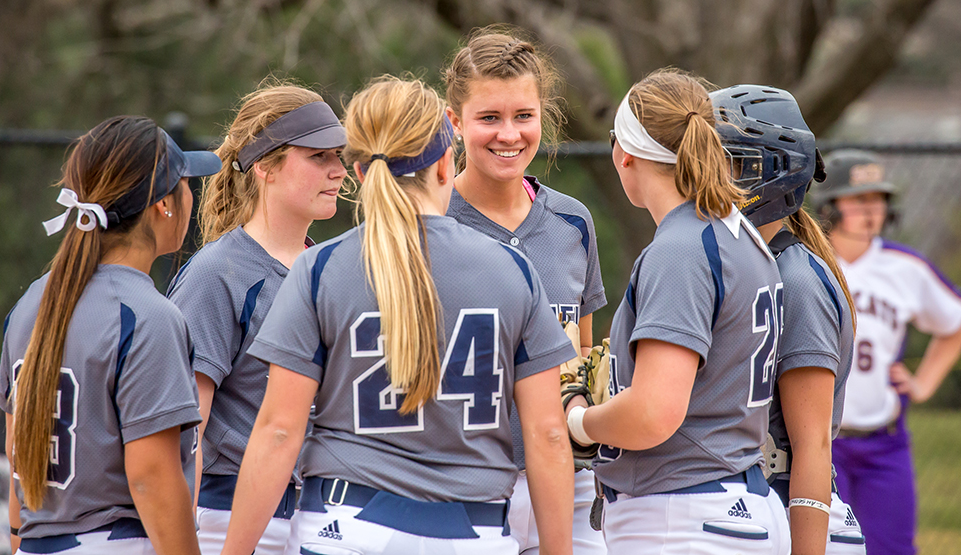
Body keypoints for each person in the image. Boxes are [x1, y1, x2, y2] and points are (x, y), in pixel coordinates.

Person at [219, 76, 576, 555]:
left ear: (362, 172)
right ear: (448, 164)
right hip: (474, 531)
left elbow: (280, 431)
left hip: (347, 529)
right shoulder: (512, 269)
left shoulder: (321, 267)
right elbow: (549, 435)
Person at [566, 69, 790, 555]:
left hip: (685, 518)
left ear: (624, 153)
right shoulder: (740, 231)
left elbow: (653, 414)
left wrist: (579, 420)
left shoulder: (681, 248)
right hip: (732, 503)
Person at [0, 116, 221, 555]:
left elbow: (16, 462)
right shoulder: (145, 314)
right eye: (186, 183)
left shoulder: (31, 303)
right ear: (164, 206)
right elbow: (151, 478)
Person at [443, 27, 607, 555]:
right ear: (454, 122)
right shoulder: (430, 221)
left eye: (523, 116)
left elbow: (581, 354)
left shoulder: (572, 221)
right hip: (465, 480)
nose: (508, 135)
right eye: (488, 117)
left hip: (569, 480)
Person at [166, 82, 347, 554]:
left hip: (321, 516)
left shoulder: (331, 267)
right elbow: (187, 431)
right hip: (230, 519)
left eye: (340, 156)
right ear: (264, 165)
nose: (339, 171)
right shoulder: (217, 272)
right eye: (318, 157)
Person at [714, 84, 866, 554]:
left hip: (796, 515)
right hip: (762, 508)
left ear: (773, 171)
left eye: (727, 162)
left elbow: (812, 445)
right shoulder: (750, 262)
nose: (702, 174)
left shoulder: (796, 279)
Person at [810, 150, 961, 555]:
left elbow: (954, 323)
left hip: (884, 442)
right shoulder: (807, 261)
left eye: (878, 200)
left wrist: (924, 384)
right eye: (858, 200)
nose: (871, 210)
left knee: (891, 547)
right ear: (830, 206)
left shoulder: (903, 267)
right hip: (820, 441)